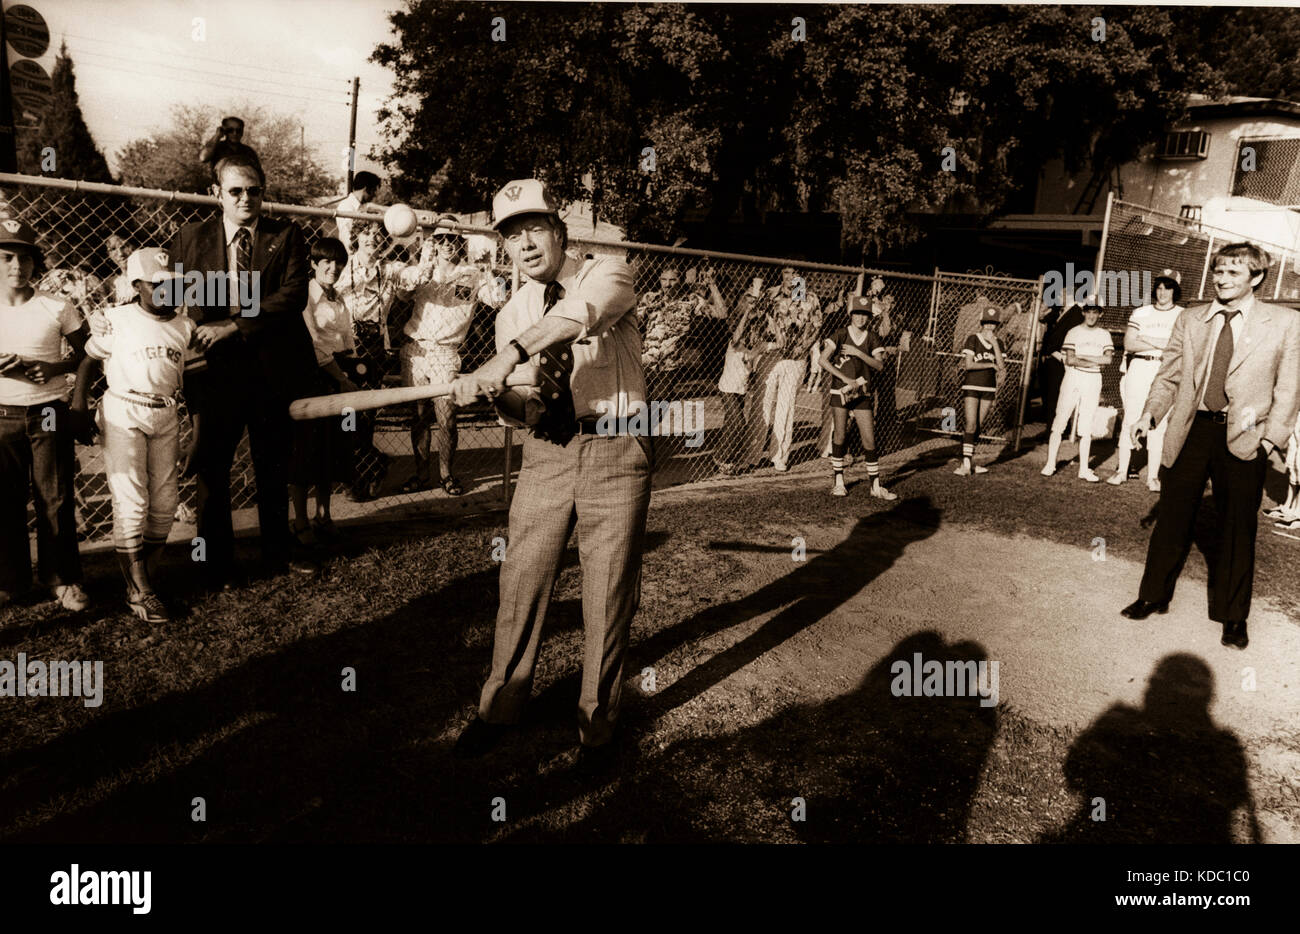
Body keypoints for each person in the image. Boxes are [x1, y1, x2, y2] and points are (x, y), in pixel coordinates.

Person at [450, 179, 649, 763]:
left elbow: (576, 318)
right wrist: (496, 396)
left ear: (560, 232)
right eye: (512, 235)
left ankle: (597, 726)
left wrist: (508, 355)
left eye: (535, 228)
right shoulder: (511, 308)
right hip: (546, 453)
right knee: (521, 583)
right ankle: (500, 708)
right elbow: (522, 402)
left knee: (607, 593)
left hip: (614, 450)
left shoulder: (608, 273)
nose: (526, 244)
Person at [1121, 243, 1300, 650]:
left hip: (1246, 436)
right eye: (1219, 271)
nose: (1221, 279)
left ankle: (1233, 617)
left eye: (1233, 274)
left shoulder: (1285, 323)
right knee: (1173, 516)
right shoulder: (1191, 318)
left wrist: (1271, 438)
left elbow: (1289, 388)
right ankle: (1153, 595)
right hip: (1192, 430)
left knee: (1238, 526)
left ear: (1256, 278)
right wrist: (1149, 414)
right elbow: (1168, 376)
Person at [167, 152, 319, 588]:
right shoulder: (191, 238)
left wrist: (233, 325)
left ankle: (277, 555)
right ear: (217, 194)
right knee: (213, 467)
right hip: (214, 373)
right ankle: (216, 564)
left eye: (254, 191)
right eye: (235, 191)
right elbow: (168, 292)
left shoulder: (286, 234)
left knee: (272, 465)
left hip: (273, 368)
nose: (246, 199)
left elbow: (291, 297)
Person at [71, 248, 194, 622]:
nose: (165, 291)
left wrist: (197, 435)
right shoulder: (117, 319)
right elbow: (89, 361)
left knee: (165, 504)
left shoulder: (184, 326)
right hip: (124, 409)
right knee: (132, 501)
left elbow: (198, 386)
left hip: (166, 412)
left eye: (171, 284)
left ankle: (142, 580)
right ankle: (141, 592)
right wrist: (79, 406)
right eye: (156, 285)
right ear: (136, 285)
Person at [0, 216, 91, 610]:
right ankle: (11, 580)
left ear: (37, 262)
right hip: (2, 412)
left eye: (24, 258)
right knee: (5, 498)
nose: (16, 267)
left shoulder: (57, 305)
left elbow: (90, 353)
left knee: (54, 497)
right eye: (6, 258)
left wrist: (56, 368)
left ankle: (62, 579)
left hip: (48, 411)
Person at [335, 223, 437, 500]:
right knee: (346, 413)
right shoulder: (344, 267)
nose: (373, 239)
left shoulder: (390, 269)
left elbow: (419, 276)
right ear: (356, 237)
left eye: (379, 235)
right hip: (344, 346)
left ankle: (363, 472)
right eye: (367, 234)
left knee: (366, 414)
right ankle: (366, 465)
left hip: (374, 349)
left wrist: (425, 246)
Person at [399, 215, 498, 496]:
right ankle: (420, 474)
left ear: (460, 241)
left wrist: (489, 271)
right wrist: (423, 268)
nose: (447, 244)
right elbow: (402, 296)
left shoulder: (472, 274)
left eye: (452, 238)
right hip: (416, 347)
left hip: (446, 350)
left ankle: (446, 474)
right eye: (441, 238)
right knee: (418, 416)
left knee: (447, 418)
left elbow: (498, 299)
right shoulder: (422, 269)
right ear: (435, 241)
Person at [289, 237, 356, 545]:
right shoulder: (305, 295)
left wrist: (352, 373)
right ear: (314, 264)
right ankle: (300, 522)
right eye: (326, 262)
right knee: (305, 452)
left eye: (338, 263)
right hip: (311, 379)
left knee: (330, 451)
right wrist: (341, 378)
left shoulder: (338, 297)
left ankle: (324, 516)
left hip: (338, 378)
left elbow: (346, 340)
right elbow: (313, 345)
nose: (333, 268)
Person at [1109, 269, 1185, 490]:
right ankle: (1121, 470)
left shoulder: (1182, 314)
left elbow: (1179, 347)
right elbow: (1130, 343)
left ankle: (1153, 476)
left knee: (1158, 422)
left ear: (1175, 290)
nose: (1162, 292)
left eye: (1168, 287)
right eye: (1159, 287)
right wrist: (1163, 342)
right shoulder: (1141, 312)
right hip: (1140, 366)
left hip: (1165, 369)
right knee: (1131, 417)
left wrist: (1147, 338)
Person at [819, 295, 897, 499]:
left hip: (863, 393)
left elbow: (879, 365)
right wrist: (845, 378)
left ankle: (875, 486)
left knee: (869, 440)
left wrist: (858, 353)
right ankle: (838, 482)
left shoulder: (872, 337)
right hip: (841, 391)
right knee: (840, 435)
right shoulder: (841, 334)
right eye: (857, 314)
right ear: (851, 314)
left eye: (865, 314)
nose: (861, 318)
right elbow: (822, 360)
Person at [758, 265, 822, 472]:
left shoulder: (811, 298)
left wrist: (803, 350)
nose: (791, 277)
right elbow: (757, 322)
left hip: (795, 360)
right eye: (787, 273)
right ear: (781, 274)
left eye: (796, 274)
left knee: (786, 409)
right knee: (763, 405)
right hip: (771, 356)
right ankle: (753, 454)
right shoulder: (770, 295)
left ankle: (779, 455)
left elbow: (816, 327)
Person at [1041, 300, 1112, 481]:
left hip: (1093, 379)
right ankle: (1050, 463)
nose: (1091, 316)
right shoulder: (1073, 332)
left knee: (1086, 424)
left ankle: (1084, 469)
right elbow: (1070, 360)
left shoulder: (1104, 335)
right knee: (1061, 419)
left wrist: (1085, 357)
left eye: (1095, 312)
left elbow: (1108, 360)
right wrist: (1095, 359)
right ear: (1083, 312)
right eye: (1088, 311)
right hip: (1073, 377)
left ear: (1100, 314)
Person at [713, 288, 766, 474]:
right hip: (727, 387)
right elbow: (737, 336)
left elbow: (776, 342)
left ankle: (727, 456)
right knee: (737, 422)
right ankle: (720, 457)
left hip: (741, 388)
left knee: (732, 424)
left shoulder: (754, 343)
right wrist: (746, 314)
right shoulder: (735, 340)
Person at [956, 309, 1006, 476]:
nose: (990, 326)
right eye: (987, 323)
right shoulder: (973, 339)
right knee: (970, 424)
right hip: (972, 385)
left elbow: (1001, 366)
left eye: (993, 323)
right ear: (982, 323)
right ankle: (965, 463)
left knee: (978, 425)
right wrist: (989, 365)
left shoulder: (999, 342)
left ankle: (969, 461)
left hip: (989, 388)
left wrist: (995, 345)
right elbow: (969, 365)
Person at [335, 171, 381, 255]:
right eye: (374, 190)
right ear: (366, 189)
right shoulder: (346, 206)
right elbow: (348, 239)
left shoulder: (363, 207)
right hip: (351, 256)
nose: (374, 195)